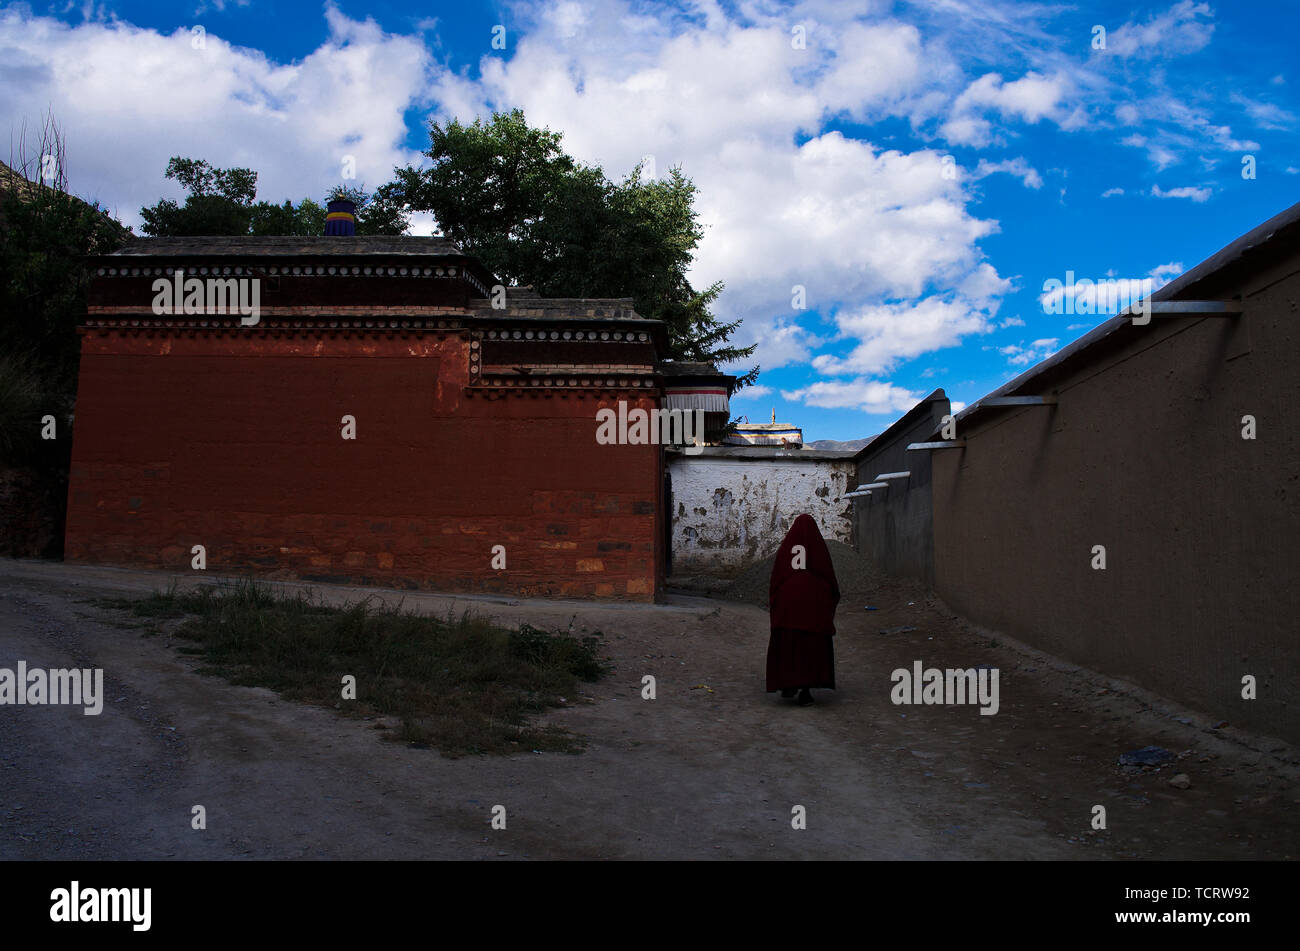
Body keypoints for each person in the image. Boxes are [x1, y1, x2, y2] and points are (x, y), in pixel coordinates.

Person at [766, 513, 840, 706]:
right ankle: (806, 691)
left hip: (788, 607)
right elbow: (829, 576)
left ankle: (788, 684)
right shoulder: (818, 549)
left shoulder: (787, 550)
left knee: (790, 646)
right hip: (813, 607)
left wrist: (778, 601)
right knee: (809, 648)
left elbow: (776, 578)